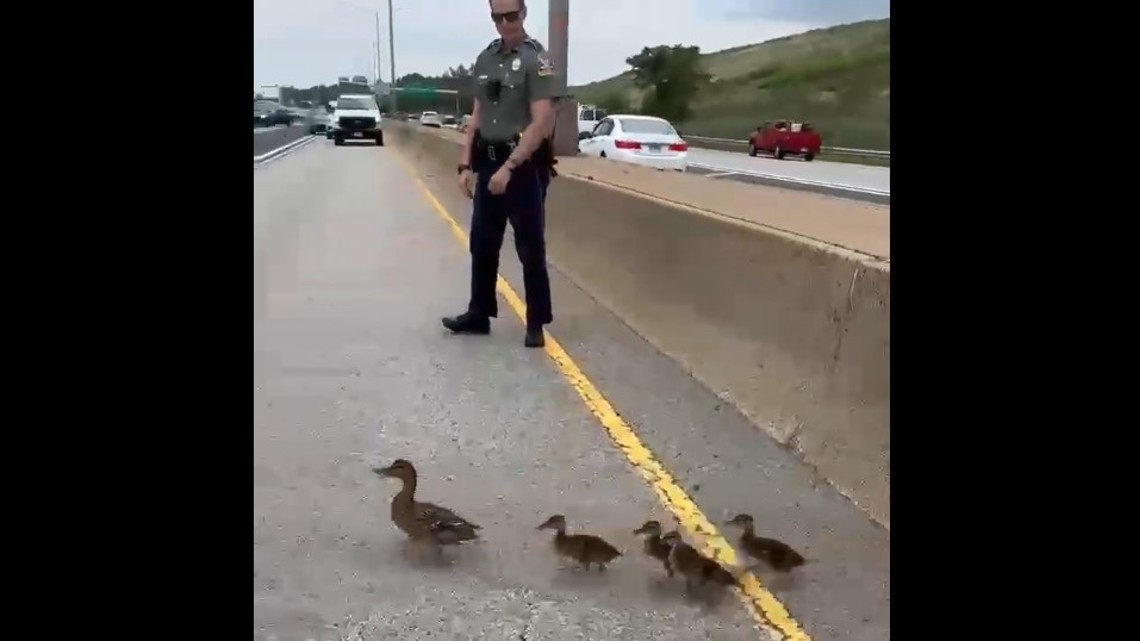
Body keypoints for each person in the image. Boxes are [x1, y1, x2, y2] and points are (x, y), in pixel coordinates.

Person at [442, 0, 558, 348]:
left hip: (522, 165)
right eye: (498, 17)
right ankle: (479, 313)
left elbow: (543, 121)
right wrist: (465, 164)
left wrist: (510, 167)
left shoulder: (541, 59)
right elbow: (476, 117)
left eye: (511, 16)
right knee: (482, 242)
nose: (505, 23)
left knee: (530, 246)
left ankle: (536, 322)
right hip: (488, 161)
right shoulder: (486, 58)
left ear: (524, 14)